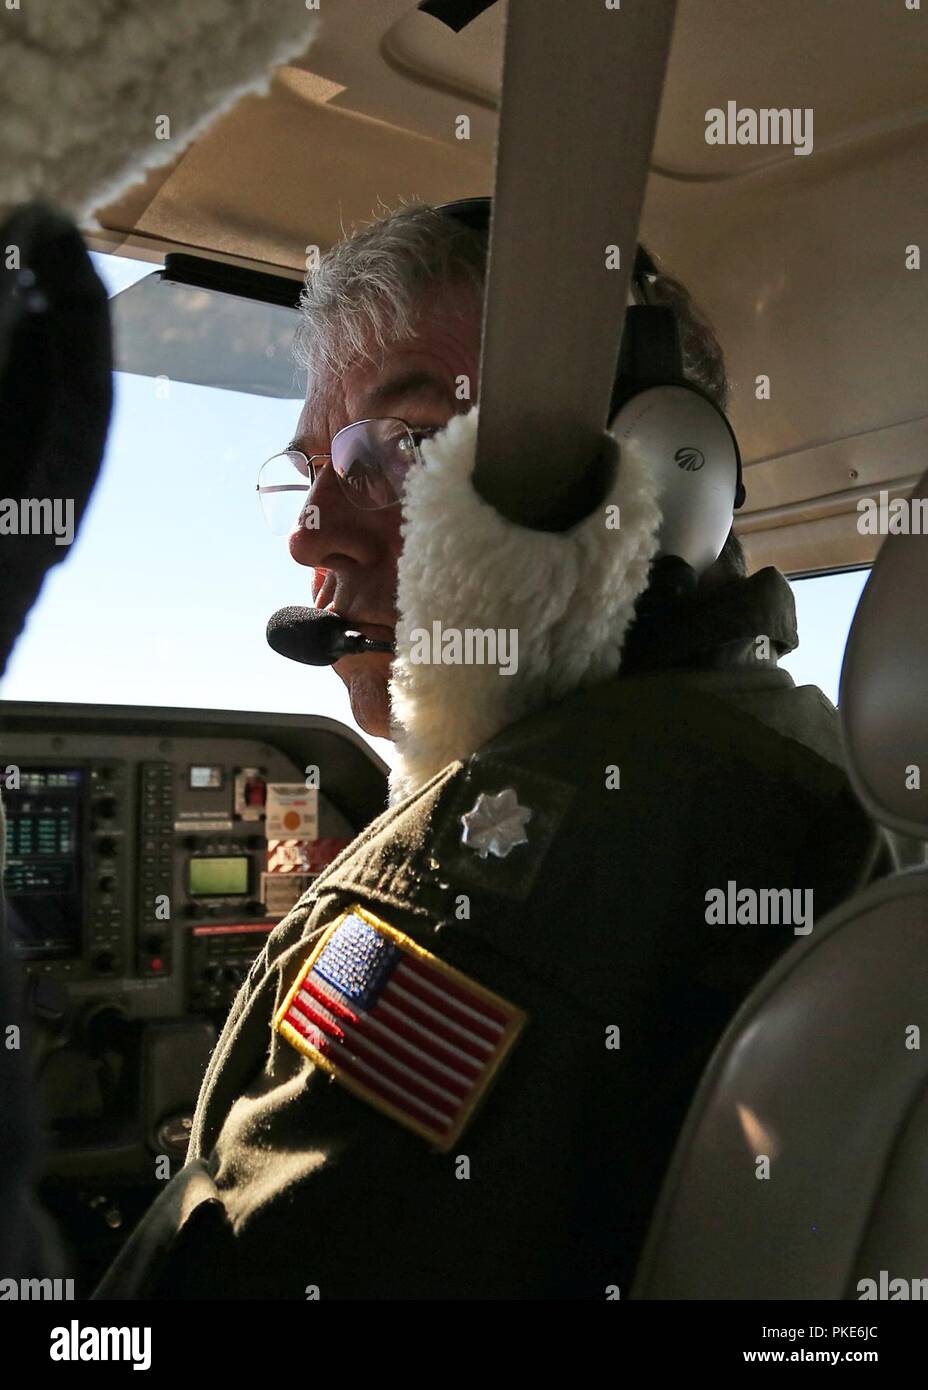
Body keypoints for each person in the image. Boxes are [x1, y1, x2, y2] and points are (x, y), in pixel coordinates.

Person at [93, 201, 885, 1300]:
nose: (309, 531)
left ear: (661, 478)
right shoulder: (800, 763)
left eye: (405, 446)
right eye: (311, 466)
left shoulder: (467, 898)